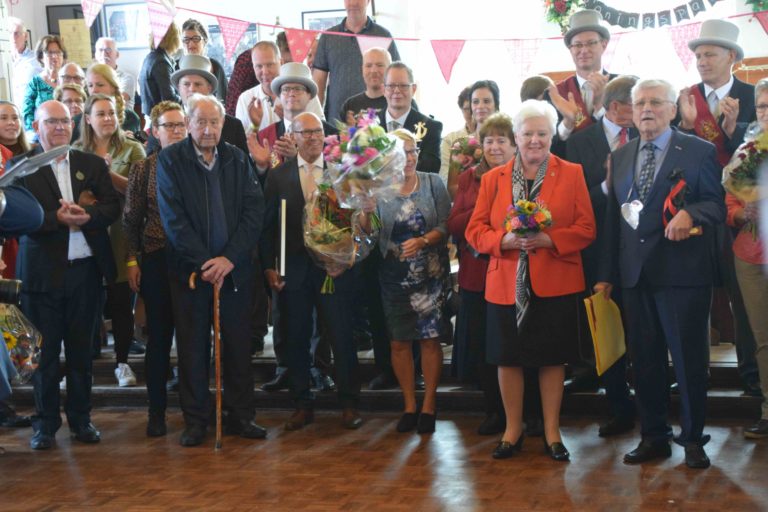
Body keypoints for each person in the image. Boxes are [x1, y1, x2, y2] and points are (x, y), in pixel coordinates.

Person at [595, 79, 725, 469]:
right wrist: (606, 274)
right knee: (645, 362)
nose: (647, 109)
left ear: (672, 109)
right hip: (635, 276)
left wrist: (690, 213)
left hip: (683, 275)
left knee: (688, 362)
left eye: (655, 102)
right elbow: (614, 221)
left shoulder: (699, 151)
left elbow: (716, 205)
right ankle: (654, 436)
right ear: (631, 112)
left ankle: (693, 439)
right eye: (639, 104)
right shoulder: (620, 156)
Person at [465, 99, 596, 461]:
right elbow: (475, 231)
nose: (534, 140)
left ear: (552, 136)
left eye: (542, 133)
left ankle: (552, 432)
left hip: (556, 281)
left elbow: (587, 228)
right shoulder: (493, 179)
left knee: (553, 360)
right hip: (505, 284)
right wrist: (502, 241)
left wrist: (550, 239)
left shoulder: (572, 173)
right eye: (527, 134)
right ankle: (512, 430)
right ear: (516, 137)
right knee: (507, 359)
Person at [157, 94, 266, 447]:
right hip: (191, 273)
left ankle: (242, 415)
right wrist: (206, 263)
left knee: (237, 345)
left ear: (223, 124)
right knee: (192, 348)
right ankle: (196, 420)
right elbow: (173, 220)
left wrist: (228, 259)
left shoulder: (236, 158)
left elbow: (254, 212)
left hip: (234, 271)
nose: (208, 129)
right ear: (188, 124)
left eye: (214, 122)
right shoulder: (170, 160)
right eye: (201, 122)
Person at [12, 100, 120, 450]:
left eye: (65, 121)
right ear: (36, 126)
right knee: (43, 357)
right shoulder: (20, 168)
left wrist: (88, 216)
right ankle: (44, 425)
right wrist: (53, 219)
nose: (60, 127)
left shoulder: (91, 164)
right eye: (51, 122)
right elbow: (12, 217)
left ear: (74, 126)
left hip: (85, 273)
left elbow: (113, 206)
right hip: (41, 277)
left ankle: (81, 419)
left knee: (80, 355)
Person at [260, 112, 363, 431]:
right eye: (305, 132)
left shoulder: (341, 171)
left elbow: (358, 221)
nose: (313, 137)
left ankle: (349, 404)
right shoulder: (279, 176)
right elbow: (267, 226)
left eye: (317, 131)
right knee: (296, 338)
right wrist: (269, 266)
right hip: (293, 270)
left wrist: (346, 257)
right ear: (293, 136)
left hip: (333, 269)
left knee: (341, 335)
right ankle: (302, 403)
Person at [679, 19, 760, 397]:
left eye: (709, 54)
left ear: (731, 57)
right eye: (698, 55)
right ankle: (694, 372)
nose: (702, 61)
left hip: (741, 217)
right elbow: (677, 155)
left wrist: (732, 130)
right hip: (697, 211)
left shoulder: (754, 96)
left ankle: (752, 376)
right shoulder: (685, 98)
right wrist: (686, 126)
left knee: (745, 302)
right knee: (694, 297)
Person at [565, 75, 638, 437]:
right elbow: (572, 202)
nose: (644, 110)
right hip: (597, 254)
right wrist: (607, 186)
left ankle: (650, 405)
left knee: (643, 332)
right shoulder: (580, 142)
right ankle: (618, 406)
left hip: (641, 252)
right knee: (606, 333)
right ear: (616, 107)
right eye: (637, 104)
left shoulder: (646, 136)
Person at [373, 128, 451, 434]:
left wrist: (423, 240)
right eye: (400, 152)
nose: (407, 158)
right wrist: (364, 212)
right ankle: (409, 405)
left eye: (411, 151)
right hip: (393, 276)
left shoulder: (433, 182)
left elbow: (446, 225)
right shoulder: (378, 188)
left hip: (430, 273)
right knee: (399, 342)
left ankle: (429, 404)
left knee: (430, 339)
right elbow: (367, 233)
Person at [447, 112, 516, 436]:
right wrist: (484, 209)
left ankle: (527, 413)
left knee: (517, 344)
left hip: (513, 271)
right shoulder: (468, 178)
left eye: (502, 140)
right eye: (489, 140)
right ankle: (494, 410)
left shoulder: (524, 177)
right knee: (484, 345)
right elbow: (454, 224)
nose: (495, 146)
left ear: (514, 145)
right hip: (476, 273)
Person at [73, 93, 146, 388]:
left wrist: (106, 174)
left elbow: (138, 191)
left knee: (120, 303)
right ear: (87, 119)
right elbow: (73, 195)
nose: (108, 118)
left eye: (112, 113)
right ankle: (82, 365)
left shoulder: (132, 148)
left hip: (121, 235)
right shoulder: (76, 150)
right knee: (85, 304)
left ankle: (123, 363)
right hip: (84, 236)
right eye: (101, 113)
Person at [123, 101, 187, 436]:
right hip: (156, 258)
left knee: (192, 338)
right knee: (159, 338)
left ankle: (195, 408)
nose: (176, 131)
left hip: (191, 261)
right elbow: (131, 220)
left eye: (180, 125)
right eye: (169, 126)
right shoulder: (144, 168)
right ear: (155, 131)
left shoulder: (199, 164)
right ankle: (156, 411)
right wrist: (132, 260)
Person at [725, 78, 768, 439]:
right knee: (763, 338)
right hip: (752, 255)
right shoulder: (746, 151)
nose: (767, 113)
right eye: (763, 107)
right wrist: (743, 213)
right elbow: (729, 202)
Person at [312, 0, 400, 124]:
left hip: (378, 120)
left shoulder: (383, 35)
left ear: (368, 1)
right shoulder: (328, 37)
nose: (353, 3)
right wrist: (317, 119)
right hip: (337, 120)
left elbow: (396, 77)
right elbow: (318, 82)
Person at [547, 9, 615, 154]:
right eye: (578, 45)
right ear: (570, 49)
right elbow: (548, 146)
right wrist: (567, 123)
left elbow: (631, 133)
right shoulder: (556, 94)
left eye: (591, 43)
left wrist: (600, 107)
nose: (584, 50)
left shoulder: (622, 86)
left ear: (604, 45)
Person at [249, 62, 336, 172]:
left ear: (309, 95)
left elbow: (334, 176)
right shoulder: (265, 136)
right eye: (286, 89)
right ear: (279, 95)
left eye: (298, 89)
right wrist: (261, 167)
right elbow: (256, 179)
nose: (291, 93)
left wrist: (297, 158)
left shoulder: (330, 135)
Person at [166, 55, 248, 156]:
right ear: (178, 88)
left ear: (209, 88)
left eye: (198, 84)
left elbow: (245, 163)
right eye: (186, 84)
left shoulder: (232, 126)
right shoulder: (165, 122)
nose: (192, 89)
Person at [234, 42, 324, 133]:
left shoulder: (305, 93)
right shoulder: (245, 99)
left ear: (281, 62)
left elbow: (321, 132)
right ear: (253, 67)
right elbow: (241, 140)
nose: (265, 72)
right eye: (259, 66)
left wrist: (290, 119)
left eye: (270, 65)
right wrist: (255, 126)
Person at [379, 62, 442, 174]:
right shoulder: (369, 126)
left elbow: (431, 169)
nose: (397, 90)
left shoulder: (431, 127)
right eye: (391, 86)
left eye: (403, 86)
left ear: (413, 89)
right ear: (383, 89)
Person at [447, 80, 500, 196]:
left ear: (496, 105)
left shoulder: (508, 144)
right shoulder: (460, 146)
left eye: (486, 101)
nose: (480, 106)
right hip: (468, 205)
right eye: (475, 102)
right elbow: (452, 188)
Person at [338, 47, 417, 125]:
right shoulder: (350, 105)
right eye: (368, 66)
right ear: (362, 69)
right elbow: (342, 132)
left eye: (380, 65)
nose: (374, 70)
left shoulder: (405, 102)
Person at [75, 64, 142, 137]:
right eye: (90, 85)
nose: (94, 90)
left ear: (113, 87)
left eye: (100, 85)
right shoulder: (78, 121)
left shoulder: (130, 118)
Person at [139, 23, 182, 120]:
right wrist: (186, 99)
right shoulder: (161, 62)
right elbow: (169, 98)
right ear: (173, 38)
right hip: (160, 119)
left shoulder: (150, 58)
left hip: (151, 116)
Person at [22, 35, 66, 131]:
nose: (55, 56)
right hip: (42, 134)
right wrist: (36, 133)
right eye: (50, 53)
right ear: (41, 57)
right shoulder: (35, 83)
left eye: (58, 52)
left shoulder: (69, 80)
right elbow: (27, 114)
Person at [179, 19, 228, 103]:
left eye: (196, 39)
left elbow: (225, 98)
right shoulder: (176, 66)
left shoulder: (215, 66)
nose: (191, 44)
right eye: (186, 39)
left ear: (204, 41)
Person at [439, 86, 474, 184]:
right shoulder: (450, 140)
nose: (473, 112)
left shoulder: (496, 139)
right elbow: (445, 177)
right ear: (461, 110)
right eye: (467, 109)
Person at [94, 37, 138, 111]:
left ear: (117, 54)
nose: (104, 54)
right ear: (96, 55)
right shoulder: (92, 80)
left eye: (108, 50)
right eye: (100, 50)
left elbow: (117, 102)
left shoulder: (127, 78)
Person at [8, 17, 42, 105]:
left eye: (16, 33)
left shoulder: (36, 59)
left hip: (29, 109)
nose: (13, 37)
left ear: (26, 36)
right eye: (10, 33)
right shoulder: (4, 61)